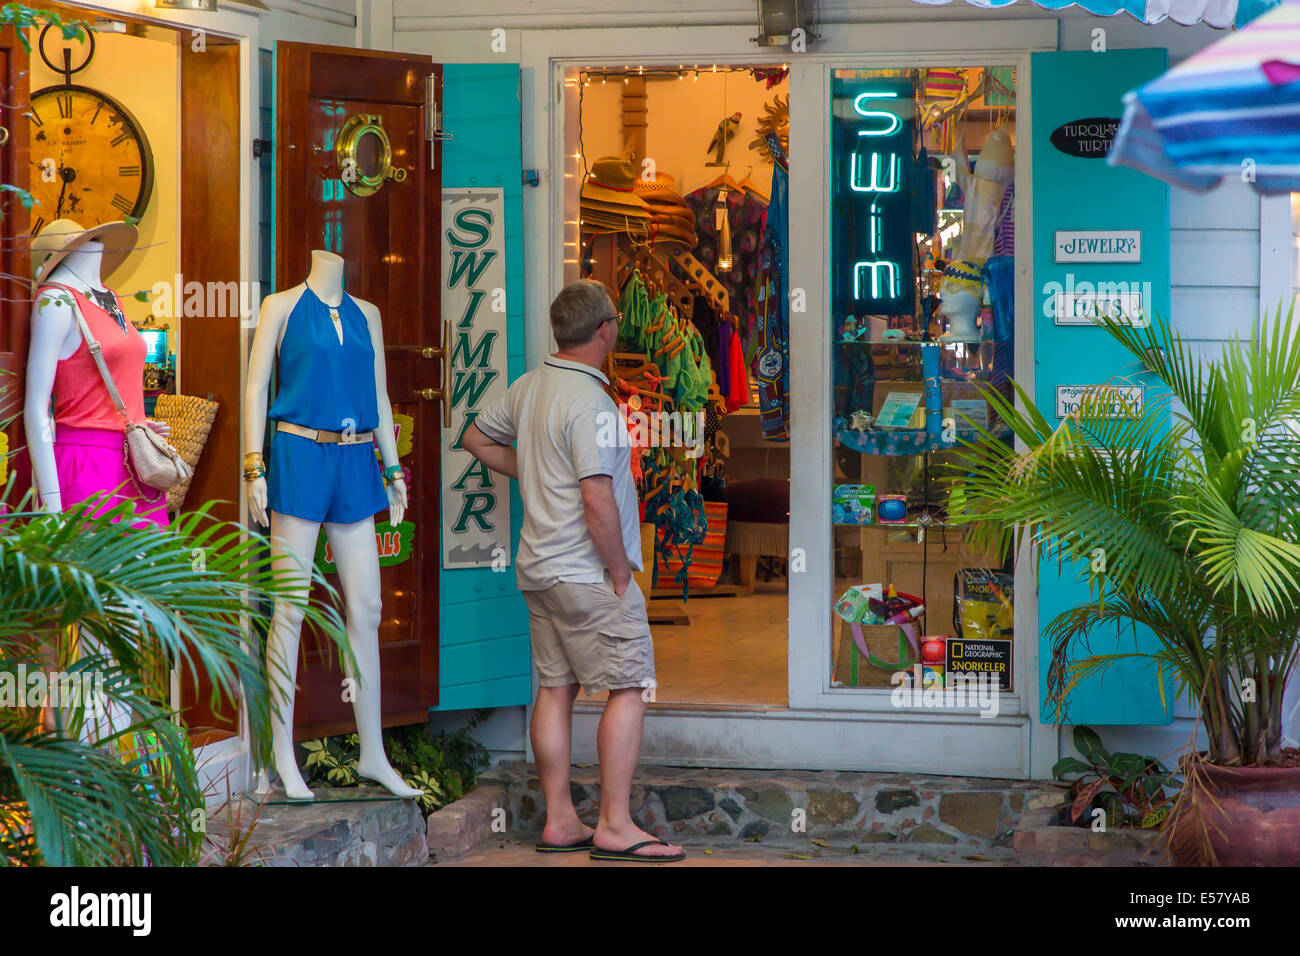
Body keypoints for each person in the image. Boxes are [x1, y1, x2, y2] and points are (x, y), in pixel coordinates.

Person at [462, 279, 684, 863]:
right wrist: (619, 572)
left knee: (556, 690)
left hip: (538, 569)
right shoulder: (593, 403)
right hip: (586, 572)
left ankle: (560, 819)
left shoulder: (531, 386)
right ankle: (614, 825)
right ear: (605, 329)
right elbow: (596, 497)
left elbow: (474, 437)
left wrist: (536, 474)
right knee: (629, 685)